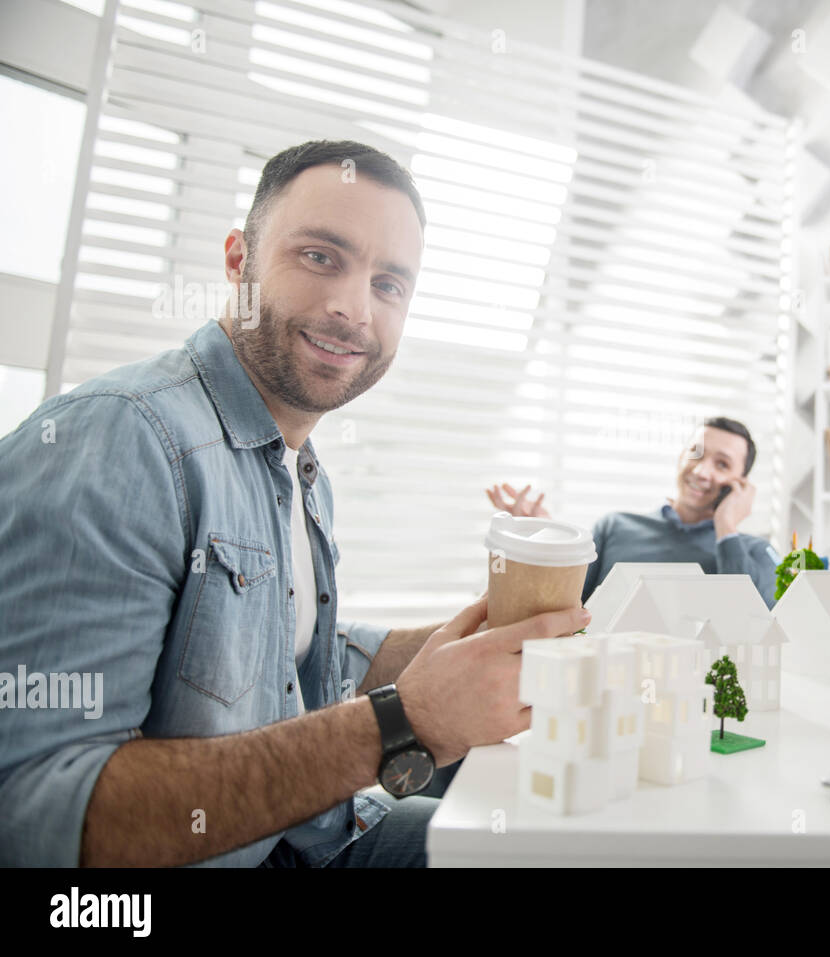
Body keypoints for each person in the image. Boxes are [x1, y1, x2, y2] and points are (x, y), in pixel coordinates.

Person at [0, 140, 588, 868]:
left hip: (317, 834)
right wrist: (404, 720)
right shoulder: (121, 439)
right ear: (237, 259)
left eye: (390, 284)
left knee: (559, 839)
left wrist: (483, 634)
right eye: (320, 257)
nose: (353, 309)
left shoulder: (297, 466)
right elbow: (37, 818)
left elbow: (291, 654)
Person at [487, 418, 782, 608]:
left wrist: (726, 525)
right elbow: (564, 605)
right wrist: (548, 540)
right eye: (696, 453)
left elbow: (752, 627)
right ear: (681, 457)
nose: (702, 471)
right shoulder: (615, 526)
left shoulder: (754, 552)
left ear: (741, 484)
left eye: (722, 465)